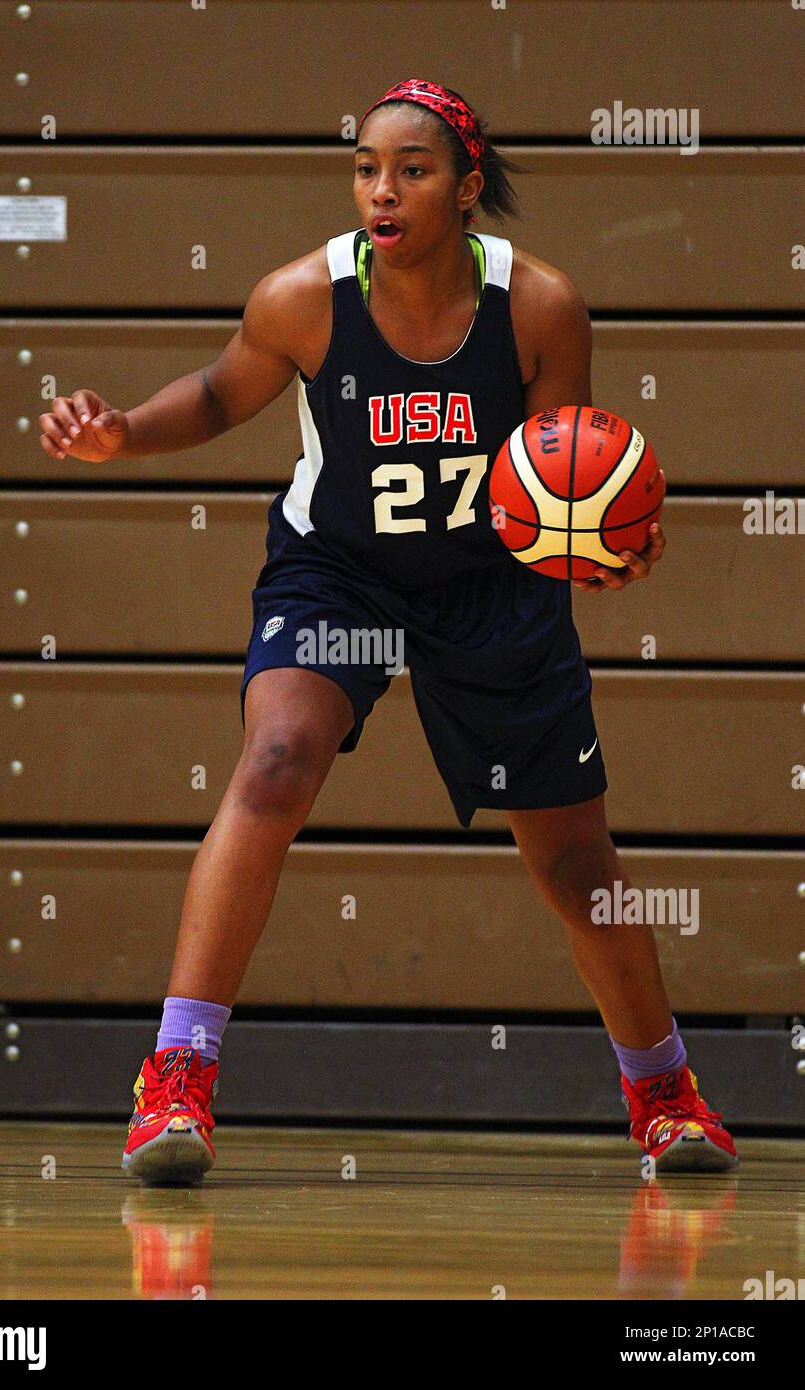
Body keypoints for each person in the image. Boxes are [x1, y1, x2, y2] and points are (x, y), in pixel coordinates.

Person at [39, 78, 739, 1184]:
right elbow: (222, 397)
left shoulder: (541, 306)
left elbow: (571, 474)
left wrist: (611, 546)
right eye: (366, 166)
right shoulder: (302, 298)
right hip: (342, 576)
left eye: (410, 170)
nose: (381, 188)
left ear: (466, 191)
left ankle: (663, 1090)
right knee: (274, 762)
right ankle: (176, 1079)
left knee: (573, 862)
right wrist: (121, 434)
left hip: (490, 588)